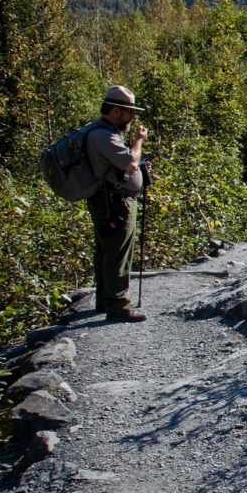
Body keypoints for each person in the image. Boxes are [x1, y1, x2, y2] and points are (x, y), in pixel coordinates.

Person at [85, 85, 148, 323]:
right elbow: (131, 162)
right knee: (118, 251)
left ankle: (105, 300)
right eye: (128, 112)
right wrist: (138, 142)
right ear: (114, 111)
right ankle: (119, 306)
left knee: (107, 249)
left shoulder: (100, 131)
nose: (132, 117)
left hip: (108, 199)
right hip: (114, 202)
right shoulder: (104, 135)